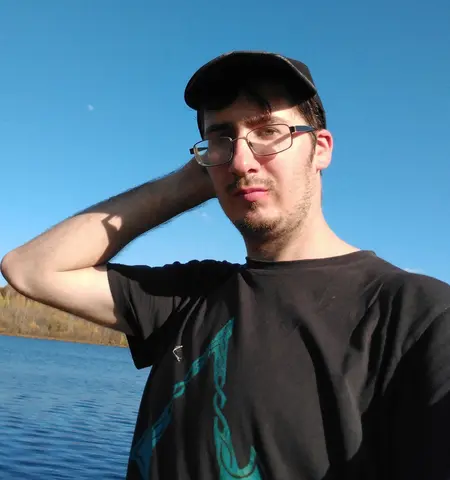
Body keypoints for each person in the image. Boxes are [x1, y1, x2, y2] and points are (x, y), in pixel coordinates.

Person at [2, 50, 449, 480]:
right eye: (222, 138)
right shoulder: (190, 295)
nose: (241, 160)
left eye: (269, 131)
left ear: (320, 149)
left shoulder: (417, 315)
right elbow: (29, 269)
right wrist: (192, 181)